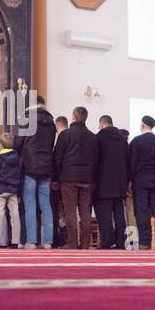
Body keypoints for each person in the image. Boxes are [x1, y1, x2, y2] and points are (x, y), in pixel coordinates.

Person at [14, 94, 56, 250]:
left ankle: (31, 240)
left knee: (30, 203)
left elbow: (18, 142)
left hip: (30, 165)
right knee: (46, 204)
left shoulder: (27, 119)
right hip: (46, 165)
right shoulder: (51, 123)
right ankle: (48, 241)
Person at [53, 106, 96, 249]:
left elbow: (57, 157)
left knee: (70, 211)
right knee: (85, 211)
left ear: (73, 117)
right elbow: (96, 160)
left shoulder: (65, 135)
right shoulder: (92, 136)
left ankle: (72, 243)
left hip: (68, 178)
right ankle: (85, 243)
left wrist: (56, 178)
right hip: (87, 178)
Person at [128, 115, 155, 249]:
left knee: (141, 210)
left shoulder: (136, 141)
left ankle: (144, 242)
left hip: (141, 180)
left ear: (143, 125)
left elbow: (132, 163)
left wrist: (130, 180)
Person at [93, 114, 129, 249]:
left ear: (102, 124)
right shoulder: (122, 139)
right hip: (120, 183)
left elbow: (95, 161)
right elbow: (127, 161)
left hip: (104, 182)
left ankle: (107, 242)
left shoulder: (99, 138)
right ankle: (121, 242)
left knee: (105, 214)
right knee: (119, 214)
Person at [0, 131, 22, 248]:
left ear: (1, 145)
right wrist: (19, 191)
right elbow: (20, 175)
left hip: (0, 189)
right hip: (13, 189)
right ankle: (15, 242)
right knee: (15, 214)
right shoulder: (18, 158)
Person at [52, 115, 69, 248]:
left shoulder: (59, 138)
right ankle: (67, 238)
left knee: (57, 210)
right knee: (67, 210)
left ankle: (58, 239)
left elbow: (56, 159)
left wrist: (55, 178)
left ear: (57, 125)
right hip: (71, 179)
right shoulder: (73, 135)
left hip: (59, 180)